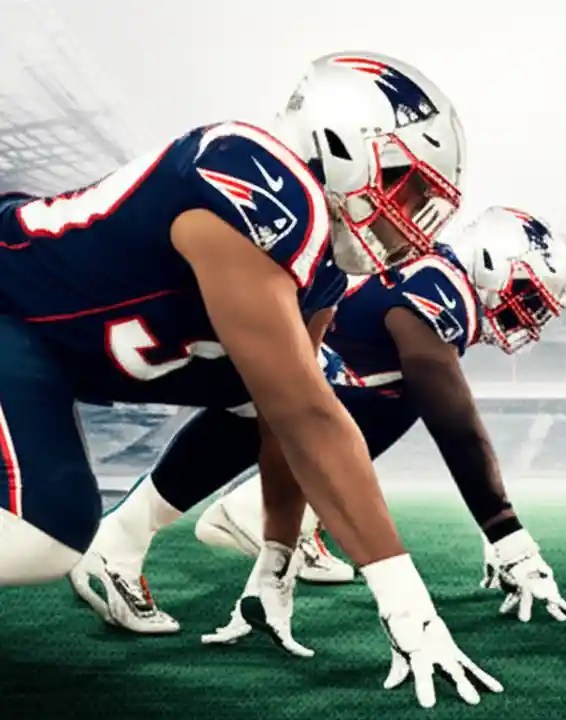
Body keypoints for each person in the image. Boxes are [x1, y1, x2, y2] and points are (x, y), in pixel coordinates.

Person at [0, 50, 508, 709]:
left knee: (270, 387)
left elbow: (281, 418)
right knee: (45, 533)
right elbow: (308, 418)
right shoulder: (252, 176)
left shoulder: (322, 271)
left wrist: (275, 561)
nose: (408, 218)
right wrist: (407, 604)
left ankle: (120, 547)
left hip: (60, 349)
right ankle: (107, 542)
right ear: (341, 143)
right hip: (14, 311)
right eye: (405, 187)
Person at [70, 205, 566, 636]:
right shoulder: (441, 292)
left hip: (275, 345)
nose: (525, 315)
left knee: (343, 389)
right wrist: (507, 536)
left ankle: (286, 515)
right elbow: (457, 429)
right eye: (525, 294)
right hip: (206, 336)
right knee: (312, 392)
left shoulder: (431, 271)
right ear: (489, 263)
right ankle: (125, 540)